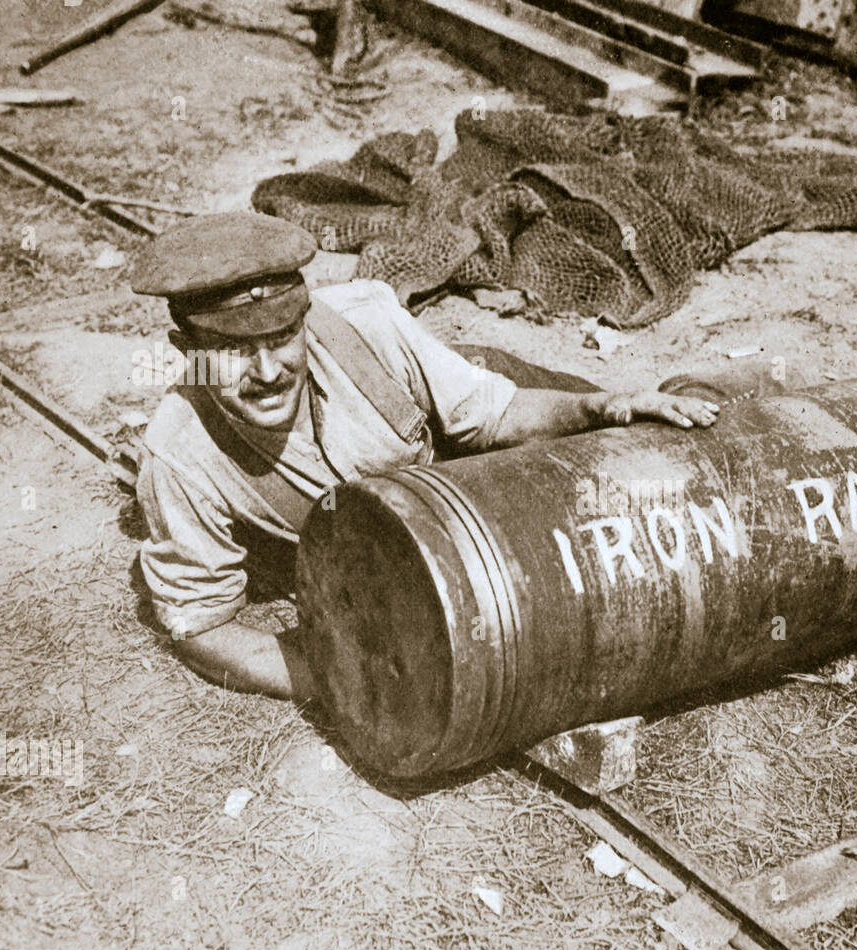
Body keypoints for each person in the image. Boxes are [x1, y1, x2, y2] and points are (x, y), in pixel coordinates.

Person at [131, 212, 720, 703]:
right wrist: (342, 676)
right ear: (188, 350)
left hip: (457, 420)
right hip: (409, 525)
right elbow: (201, 624)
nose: (266, 373)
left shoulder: (369, 322)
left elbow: (495, 414)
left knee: (642, 437)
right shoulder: (180, 454)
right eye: (233, 350)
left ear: (305, 319)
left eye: (282, 337)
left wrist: (602, 408)